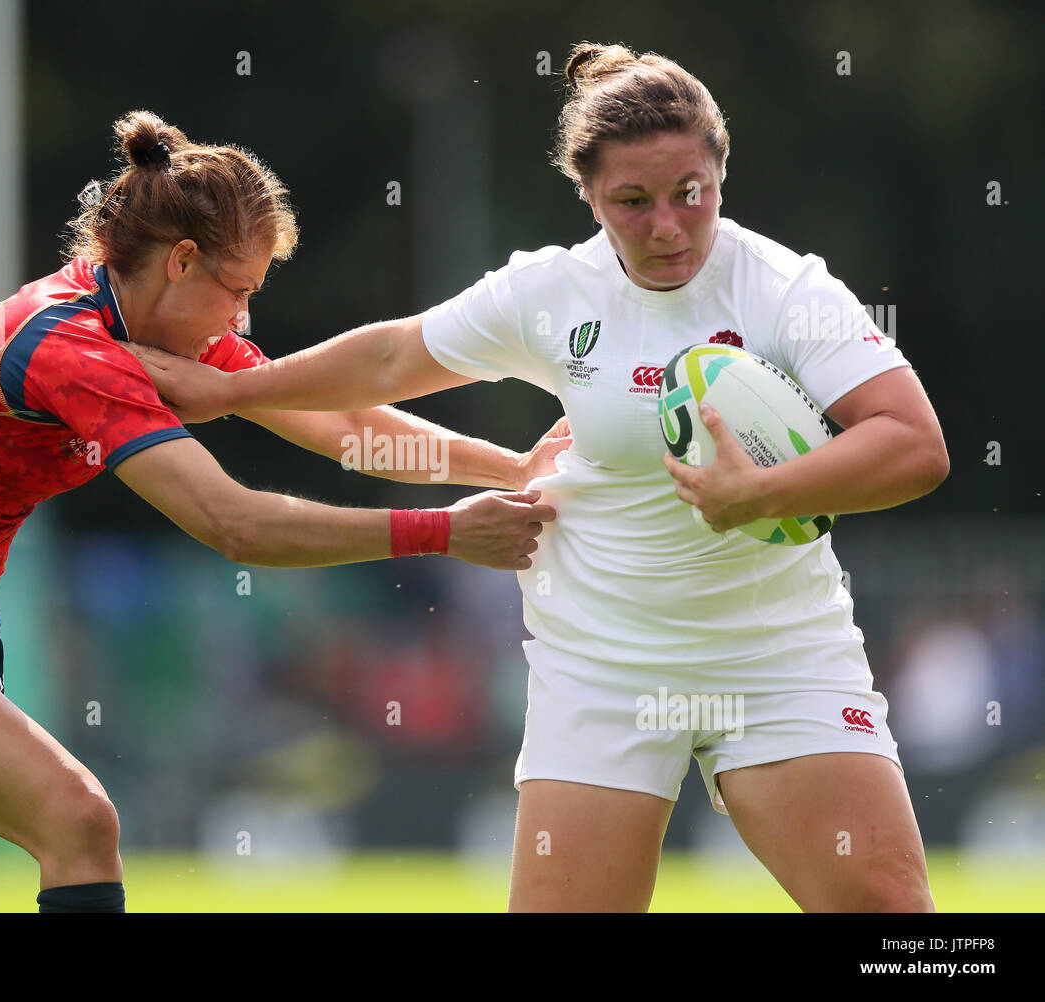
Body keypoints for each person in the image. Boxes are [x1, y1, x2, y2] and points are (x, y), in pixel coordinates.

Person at [127, 45, 950, 912]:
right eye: (633, 202)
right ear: (590, 198)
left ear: (720, 172)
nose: (668, 225)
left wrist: (765, 494)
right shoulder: (551, 292)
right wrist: (235, 388)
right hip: (605, 662)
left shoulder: (788, 291)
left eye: (691, 193)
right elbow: (390, 358)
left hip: (779, 655)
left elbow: (914, 444)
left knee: (891, 923)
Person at [0, 110, 559, 914]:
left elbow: (345, 427)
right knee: (79, 820)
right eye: (238, 291)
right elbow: (233, 524)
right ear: (181, 262)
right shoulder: (73, 349)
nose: (242, 320)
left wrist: (511, 466)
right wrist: (445, 533)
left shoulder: (158, 328)